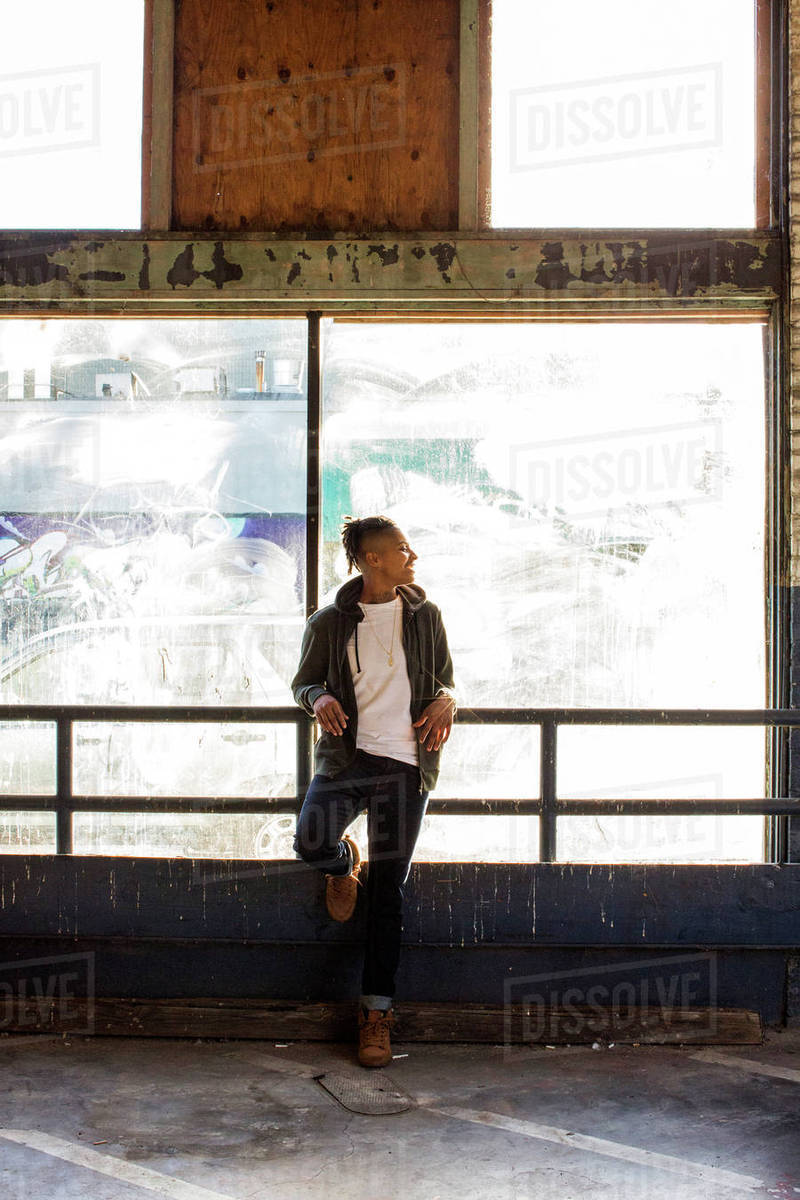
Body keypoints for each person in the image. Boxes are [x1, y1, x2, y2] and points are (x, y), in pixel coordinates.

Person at [291, 515, 456, 1067]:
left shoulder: (425, 615)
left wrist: (448, 699)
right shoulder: (330, 622)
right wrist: (318, 698)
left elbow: (445, 681)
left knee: (388, 895)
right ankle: (341, 867)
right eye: (404, 549)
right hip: (347, 759)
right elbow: (303, 681)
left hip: (406, 766)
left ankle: (376, 1014)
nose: (414, 556)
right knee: (311, 841)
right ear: (374, 558)